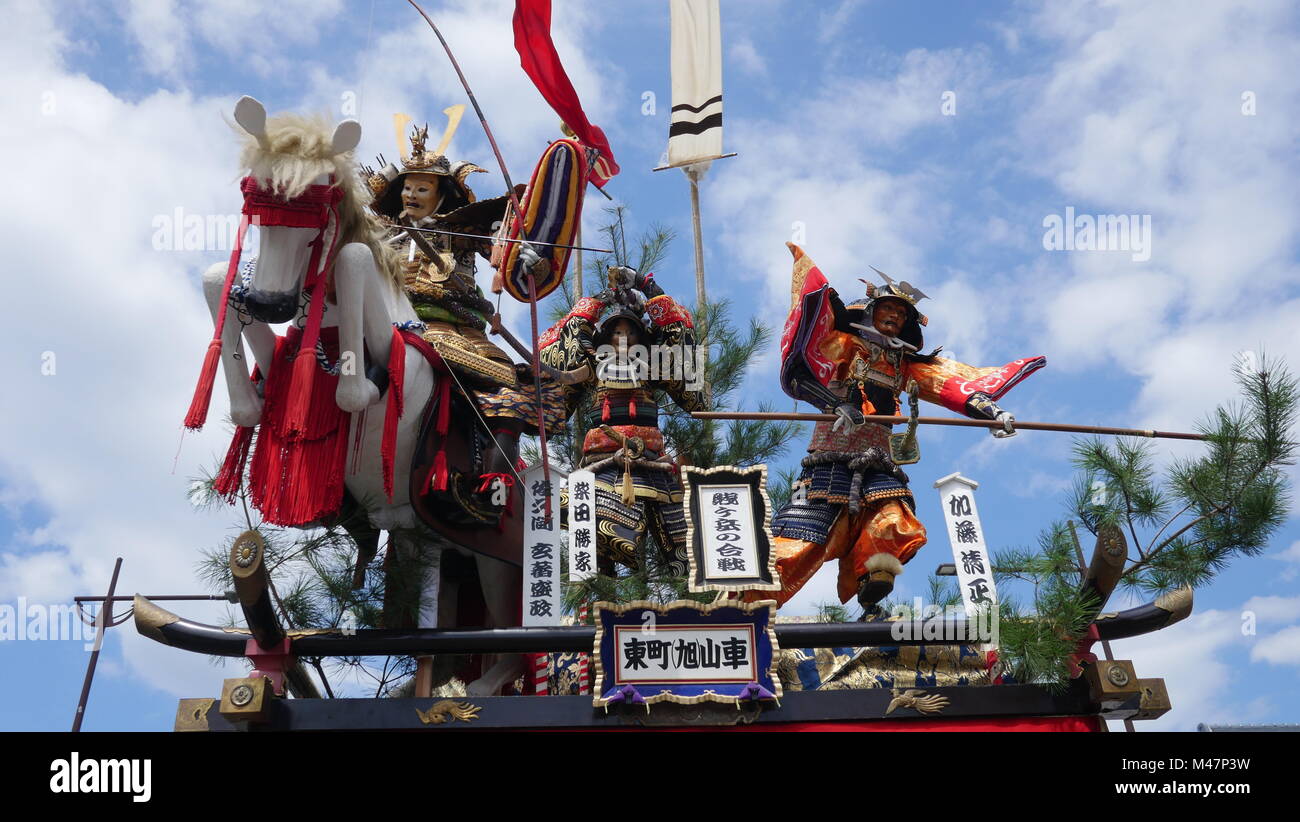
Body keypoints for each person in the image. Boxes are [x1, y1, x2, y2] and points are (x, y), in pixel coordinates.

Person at [760, 244, 1045, 613]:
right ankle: (752, 601)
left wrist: (992, 412)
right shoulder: (843, 345)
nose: (893, 316)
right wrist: (835, 404)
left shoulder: (904, 366)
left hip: (879, 462)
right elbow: (801, 371)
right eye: (888, 309)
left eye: (899, 313)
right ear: (871, 312)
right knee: (807, 538)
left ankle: (871, 580)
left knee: (894, 520)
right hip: (829, 460)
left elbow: (949, 387)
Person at [362, 124, 565, 519]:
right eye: (407, 187)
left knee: (519, 392)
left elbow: (508, 258)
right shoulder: (381, 233)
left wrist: (528, 259)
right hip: (388, 321)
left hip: (454, 330)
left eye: (422, 188)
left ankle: (490, 483)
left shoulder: (463, 229)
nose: (411, 195)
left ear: (441, 195)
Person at [539, 266, 708, 574]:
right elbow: (567, 343)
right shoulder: (591, 366)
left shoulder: (653, 366)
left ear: (640, 338)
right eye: (616, 332)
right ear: (605, 336)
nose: (623, 338)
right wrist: (598, 301)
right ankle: (599, 585)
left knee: (684, 550)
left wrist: (648, 287)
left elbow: (680, 340)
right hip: (601, 459)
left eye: (630, 332)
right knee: (593, 544)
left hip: (652, 459)